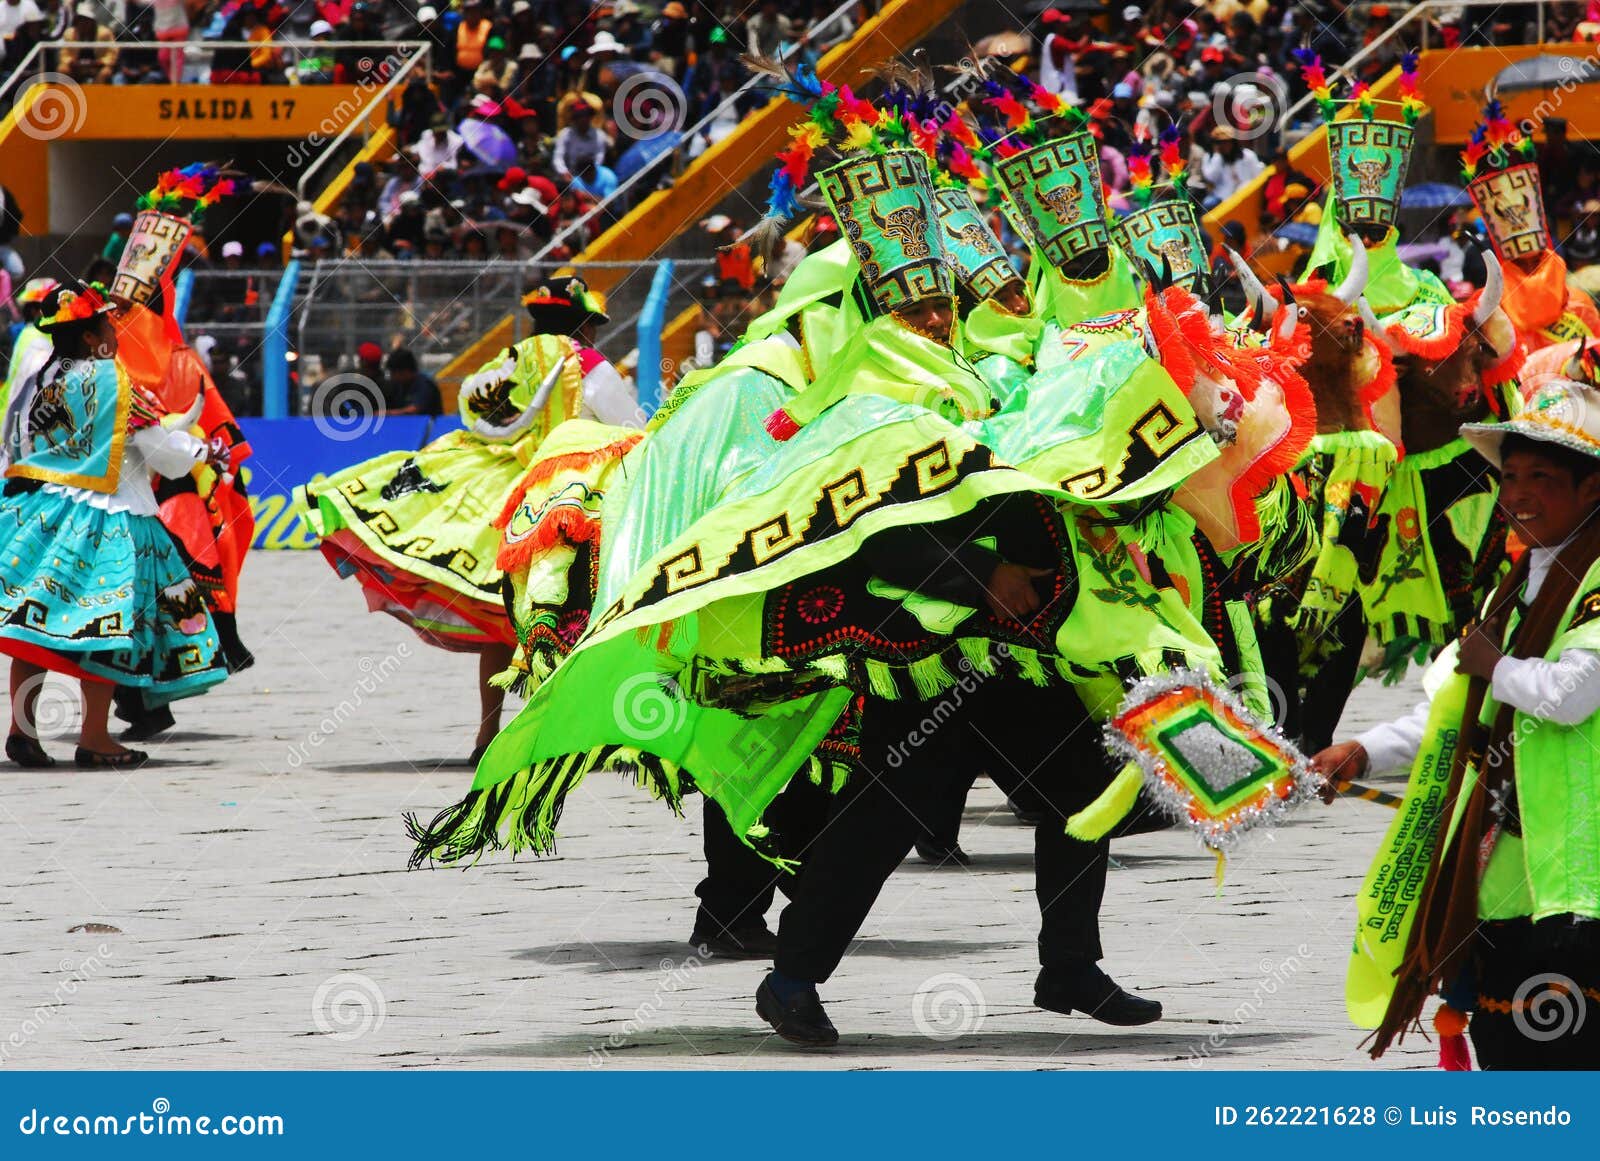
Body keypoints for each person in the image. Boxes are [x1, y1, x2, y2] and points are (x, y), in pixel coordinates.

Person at [1314, 377, 1600, 1070]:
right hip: (1510, 872)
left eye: (1543, 477)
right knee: (1510, 1050)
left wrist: (1494, 663)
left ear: (1592, 490)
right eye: (1511, 476)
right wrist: (1361, 750)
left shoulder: (1590, 582)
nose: (1519, 493)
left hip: (1580, 879)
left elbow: (1574, 694)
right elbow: (1450, 710)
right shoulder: (1517, 586)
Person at [0, 283, 227, 768]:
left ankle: (23, 729)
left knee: (34, 626)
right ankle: (96, 738)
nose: (114, 331)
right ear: (90, 337)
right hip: (111, 518)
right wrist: (205, 451)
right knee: (107, 630)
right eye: (107, 323)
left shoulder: (38, 375)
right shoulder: (115, 381)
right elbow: (164, 455)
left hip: (40, 514)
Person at [384, 347, 441, 416]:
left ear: (405, 371)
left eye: (393, 373)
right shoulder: (399, 386)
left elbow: (414, 410)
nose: (392, 377)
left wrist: (387, 413)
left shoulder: (425, 385)